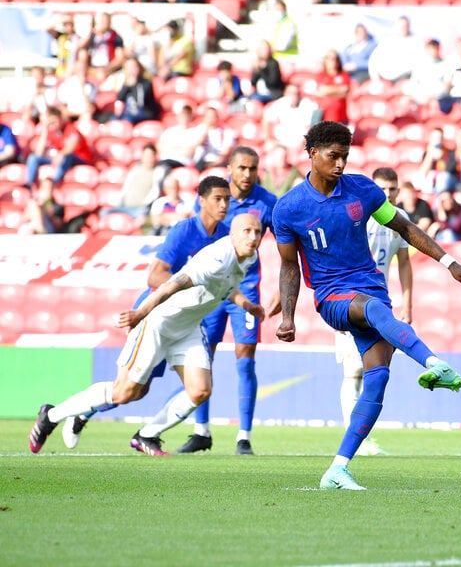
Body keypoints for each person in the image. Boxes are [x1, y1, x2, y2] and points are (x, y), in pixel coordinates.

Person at [273, 120, 461, 490]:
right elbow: (289, 265)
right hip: (332, 296)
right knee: (373, 310)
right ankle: (435, 363)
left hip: (371, 287)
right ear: (312, 154)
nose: (340, 165)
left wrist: (450, 263)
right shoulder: (289, 208)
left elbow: (405, 228)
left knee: (378, 377)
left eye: (345, 157)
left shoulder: (363, 191)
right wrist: (287, 317)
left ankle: (338, 468)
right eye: (333, 157)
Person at [29, 213, 264, 457]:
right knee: (125, 392)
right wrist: (141, 312)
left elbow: (225, 284)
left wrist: (247, 305)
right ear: (232, 234)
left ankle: (147, 435)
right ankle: (51, 415)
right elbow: (172, 284)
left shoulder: (249, 257)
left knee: (200, 390)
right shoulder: (217, 257)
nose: (253, 237)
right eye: (247, 231)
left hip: (188, 327)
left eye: (257, 232)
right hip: (160, 323)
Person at [59, 176, 233, 448]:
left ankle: (143, 434)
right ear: (201, 201)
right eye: (217, 199)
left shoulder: (225, 238)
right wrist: (185, 283)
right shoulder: (183, 231)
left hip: (185, 320)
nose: (224, 205)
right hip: (155, 314)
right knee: (131, 390)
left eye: (227, 199)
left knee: (148, 391)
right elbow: (154, 276)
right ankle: (75, 412)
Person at [176, 147, 278, 455]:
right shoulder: (216, 199)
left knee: (245, 361)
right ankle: (201, 431)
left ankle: (243, 436)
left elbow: (288, 245)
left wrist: (284, 290)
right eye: (242, 168)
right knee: (201, 357)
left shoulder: (267, 203)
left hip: (246, 290)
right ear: (230, 169)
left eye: (253, 168)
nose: (247, 174)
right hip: (211, 291)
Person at [335, 167, 412, 457]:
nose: (387, 194)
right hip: (350, 301)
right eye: (382, 189)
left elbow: (404, 261)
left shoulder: (398, 219)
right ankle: (355, 436)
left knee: (375, 371)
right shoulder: (357, 216)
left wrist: (408, 302)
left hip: (380, 303)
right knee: (353, 371)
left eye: (392, 189)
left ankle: (361, 435)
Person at [24, 106, 93, 187]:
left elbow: (73, 144)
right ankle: (29, 185)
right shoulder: (51, 132)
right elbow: (39, 153)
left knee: (67, 156)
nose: (52, 125)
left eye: (54, 122)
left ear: (60, 119)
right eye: (50, 123)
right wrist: (45, 131)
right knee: (33, 158)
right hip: (60, 160)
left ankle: (54, 183)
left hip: (80, 158)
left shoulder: (70, 128)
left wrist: (61, 154)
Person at [113, 57, 161, 125]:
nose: (131, 70)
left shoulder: (145, 83)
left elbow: (140, 102)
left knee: (126, 121)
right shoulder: (126, 83)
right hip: (129, 113)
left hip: (144, 113)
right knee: (113, 120)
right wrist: (126, 86)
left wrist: (133, 86)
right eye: (128, 68)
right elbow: (120, 98)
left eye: (133, 67)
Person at [314, 50, 352, 125]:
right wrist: (338, 90)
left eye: (335, 59)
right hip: (324, 118)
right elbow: (320, 92)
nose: (333, 61)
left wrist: (327, 91)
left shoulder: (344, 75)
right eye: (330, 59)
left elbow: (345, 91)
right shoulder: (320, 75)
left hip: (341, 118)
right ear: (325, 60)